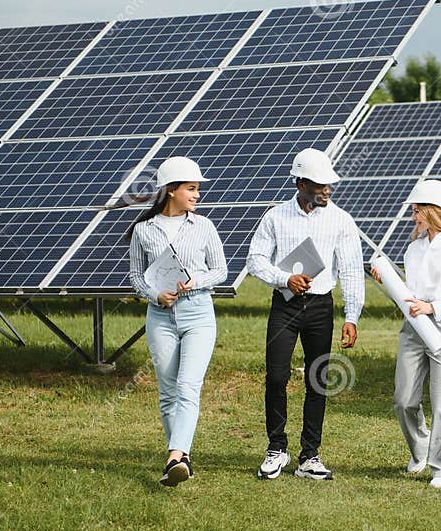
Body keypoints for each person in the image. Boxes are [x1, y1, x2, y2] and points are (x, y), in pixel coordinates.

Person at [247, 148, 364, 481]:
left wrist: (351, 316)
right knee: (276, 376)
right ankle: (276, 449)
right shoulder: (275, 217)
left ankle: (309, 456)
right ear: (300, 183)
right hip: (284, 305)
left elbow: (353, 270)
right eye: (319, 184)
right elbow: (255, 260)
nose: (327, 190)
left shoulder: (341, 220)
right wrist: (285, 278)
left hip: (321, 307)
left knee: (318, 381)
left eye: (329, 184)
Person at [371, 180, 441, 489]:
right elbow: (410, 295)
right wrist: (388, 279)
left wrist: (433, 307)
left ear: (433, 212)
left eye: (417, 211)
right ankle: (420, 450)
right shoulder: (413, 249)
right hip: (412, 330)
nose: (413, 218)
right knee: (403, 399)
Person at [126, 156, 228, 487]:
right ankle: (180, 459)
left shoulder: (204, 226)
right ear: (171, 191)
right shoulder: (143, 230)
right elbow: (136, 277)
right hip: (160, 316)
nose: (197, 195)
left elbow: (220, 270)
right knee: (168, 392)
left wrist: (194, 282)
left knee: (187, 386)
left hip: (198, 312)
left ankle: (176, 453)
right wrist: (154, 295)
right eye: (191, 189)